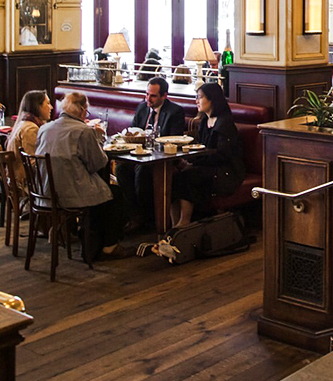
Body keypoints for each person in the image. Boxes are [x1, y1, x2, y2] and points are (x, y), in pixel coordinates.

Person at [34, 91, 128, 260]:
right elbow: (98, 163)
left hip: (44, 194)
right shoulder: (83, 131)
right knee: (114, 195)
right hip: (71, 195)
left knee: (104, 194)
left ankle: (86, 236)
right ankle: (109, 246)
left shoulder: (44, 129)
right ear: (83, 110)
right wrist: (98, 139)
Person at [171, 82, 245, 228]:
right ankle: (174, 225)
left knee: (187, 177)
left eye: (200, 97)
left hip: (227, 171)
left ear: (212, 99)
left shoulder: (225, 123)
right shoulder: (205, 120)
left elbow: (223, 155)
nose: (196, 101)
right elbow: (201, 146)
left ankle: (185, 222)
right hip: (209, 167)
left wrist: (194, 162)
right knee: (174, 177)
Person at [115, 77, 186, 227]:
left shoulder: (175, 111)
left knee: (142, 171)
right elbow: (133, 131)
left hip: (162, 158)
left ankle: (148, 218)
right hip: (139, 155)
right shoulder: (142, 108)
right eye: (146, 94)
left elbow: (174, 139)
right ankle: (135, 214)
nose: (148, 99)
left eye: (153, 96)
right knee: (121, 168)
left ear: (164, 96)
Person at [6, 90, 53, 192]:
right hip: (26, 185)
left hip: (21, 181)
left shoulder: (24, 123)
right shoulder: (30, 129)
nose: (51, 107)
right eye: (48, 103)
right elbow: (33, 163)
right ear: (37, 106)